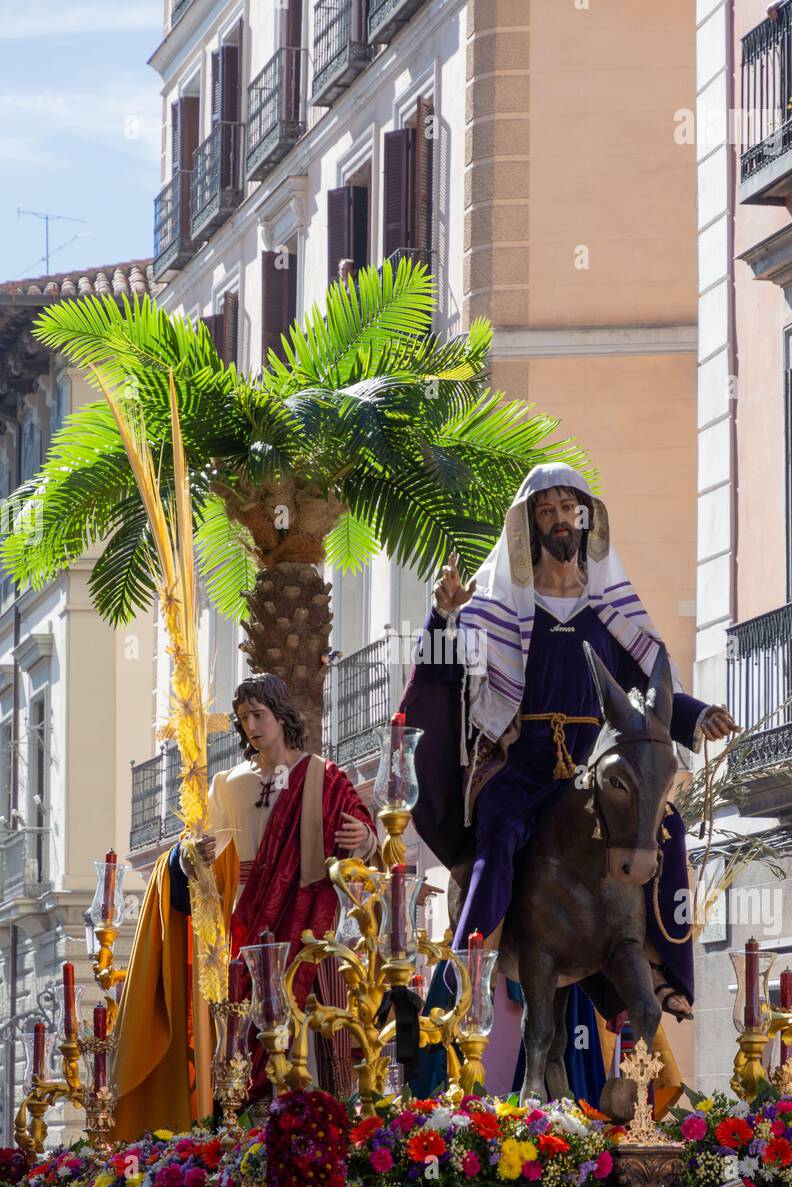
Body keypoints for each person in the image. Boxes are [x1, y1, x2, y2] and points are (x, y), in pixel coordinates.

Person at [404, 463, 737, 1101]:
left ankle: (662, 966)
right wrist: (443, 618)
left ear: (585, 521)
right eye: (548, 509)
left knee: (662, 822)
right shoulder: (503, 607)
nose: (561, 518)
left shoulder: (606, 612)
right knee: (499, 829)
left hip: (586, 772)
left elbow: (648, 685)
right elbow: (449, 671)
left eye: (570, 508)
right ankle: (469, 963)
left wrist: (696, 717)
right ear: (530, 524)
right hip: (524, 766)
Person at [113, 673, 378, 1137]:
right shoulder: (227, 784)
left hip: (309, 928)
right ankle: (250, 1135)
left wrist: (368, 838)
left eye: (258, 715)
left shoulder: (323, 776)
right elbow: (201, 861)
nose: (251, 726)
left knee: (309, 1035)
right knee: (243, 1035)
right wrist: (191, 855)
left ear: (280, 715)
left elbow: (366, 847)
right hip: (246, 929)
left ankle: (314, 1128)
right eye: (243, 719)